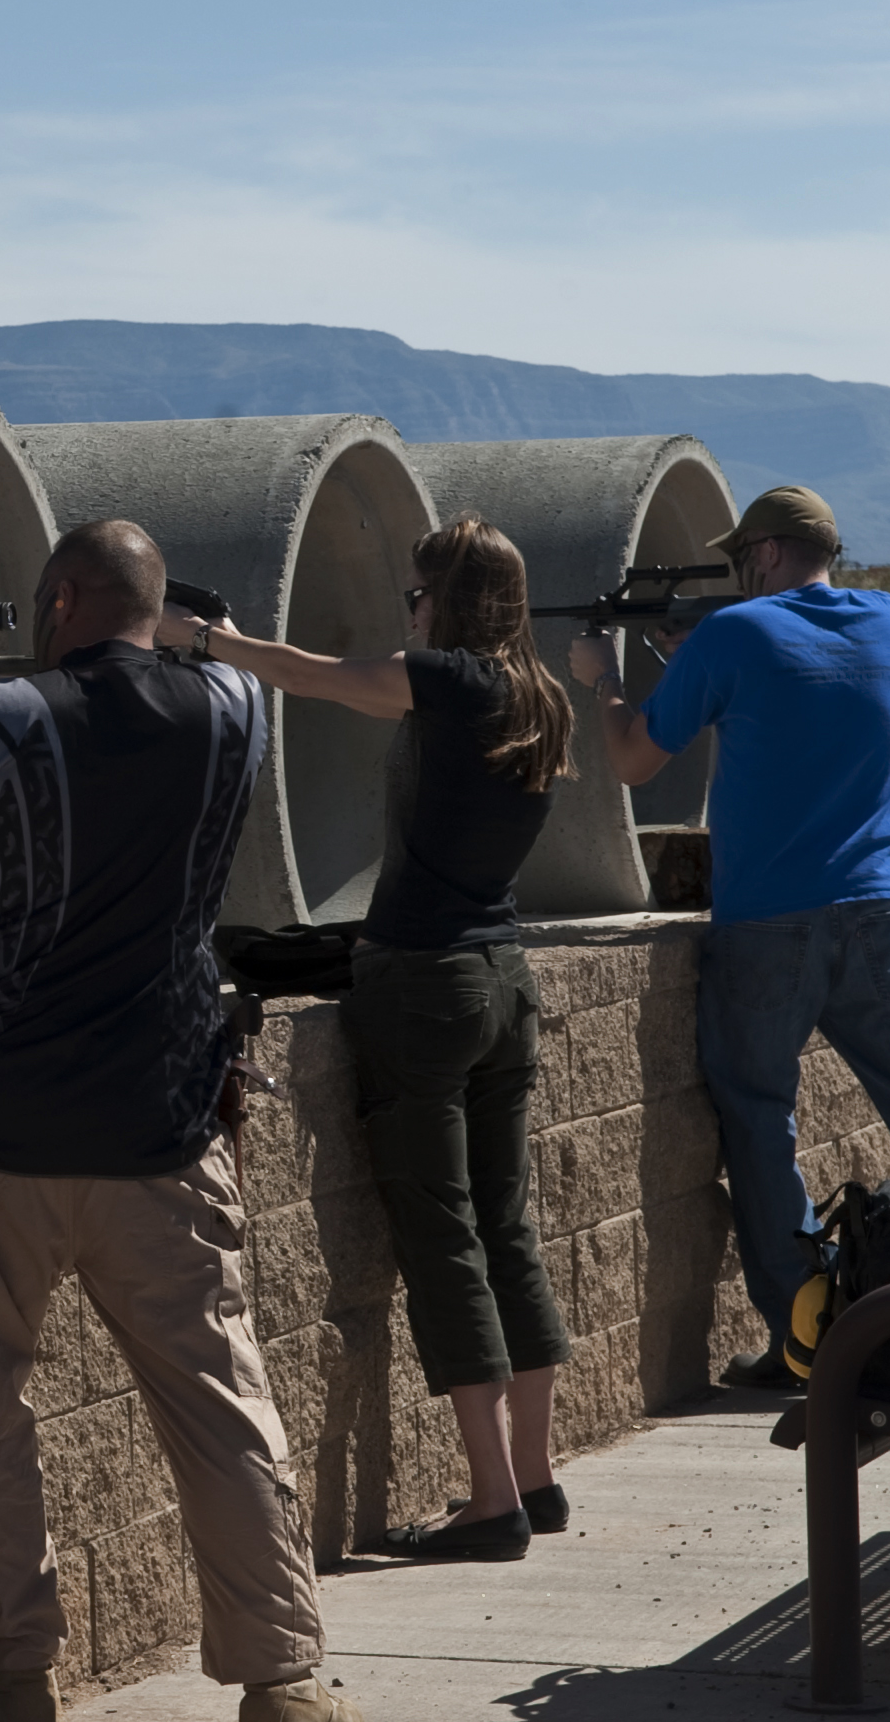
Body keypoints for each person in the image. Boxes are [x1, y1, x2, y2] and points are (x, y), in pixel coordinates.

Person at [0, 520, 361, 1722]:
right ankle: (285, 1680)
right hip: (165, 1124)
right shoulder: (236, 709)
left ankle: (20, 1677)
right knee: (222, 1408)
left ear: (61, 600)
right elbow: (172, 687)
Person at [165, 514, 576, 1563]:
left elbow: (315, 677)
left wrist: (206, 642)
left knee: (443, 1239)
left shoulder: (452, 682)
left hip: (426, 984)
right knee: (507, 1228)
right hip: (502, 977)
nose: (411, 613)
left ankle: (492, 1502)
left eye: (417, 596)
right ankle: (534, 1475)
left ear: (448, 601)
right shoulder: (540, 694)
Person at [566, 484, 890, 1393]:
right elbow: (808, 688)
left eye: (739, 561)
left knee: (760, 1122)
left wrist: (606, 680)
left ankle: (805, 1341)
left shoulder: (731, 636)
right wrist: (698, 656)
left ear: (762, 554)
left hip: (765, 923)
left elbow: (635, 758)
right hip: (880, 912)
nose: (737, 575)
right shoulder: (889, 621)